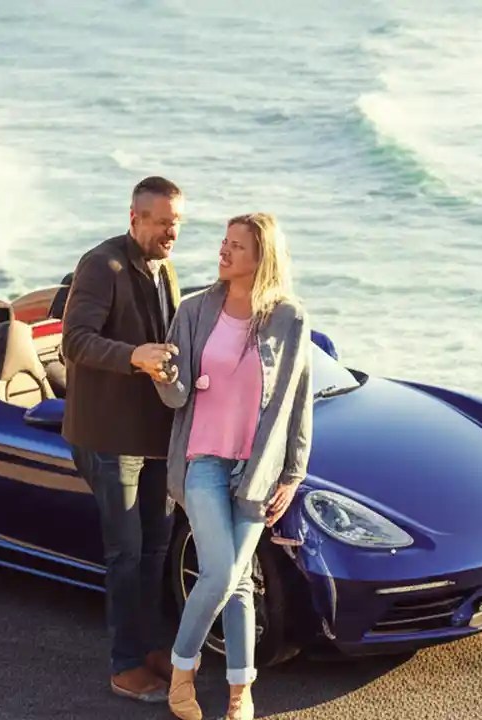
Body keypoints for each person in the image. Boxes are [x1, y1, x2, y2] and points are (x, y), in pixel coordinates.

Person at [154, 212, 314, 720]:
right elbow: (175, 395)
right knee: (222, 571)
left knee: (239, 578)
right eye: (224, 242)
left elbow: (298, 399)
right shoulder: (195, 309)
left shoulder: (289, 319)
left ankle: (240, 693)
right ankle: (182, 674)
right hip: (201, 458)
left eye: (236, 246)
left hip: (257, 470)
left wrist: (293, 472)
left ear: (261, 258)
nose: (223, 251)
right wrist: (166, 373)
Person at [61, 176, 184, 703]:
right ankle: (124, 665)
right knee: (127, 552)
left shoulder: (165, 266)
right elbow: (75, 342)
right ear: (134, 217)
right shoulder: (101, 265)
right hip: (109, 436)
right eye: (161, 222)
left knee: (156, 546)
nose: (171, 232)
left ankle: (151, 645)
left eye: (176, 222)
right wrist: (134, 356)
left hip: (154, 435)